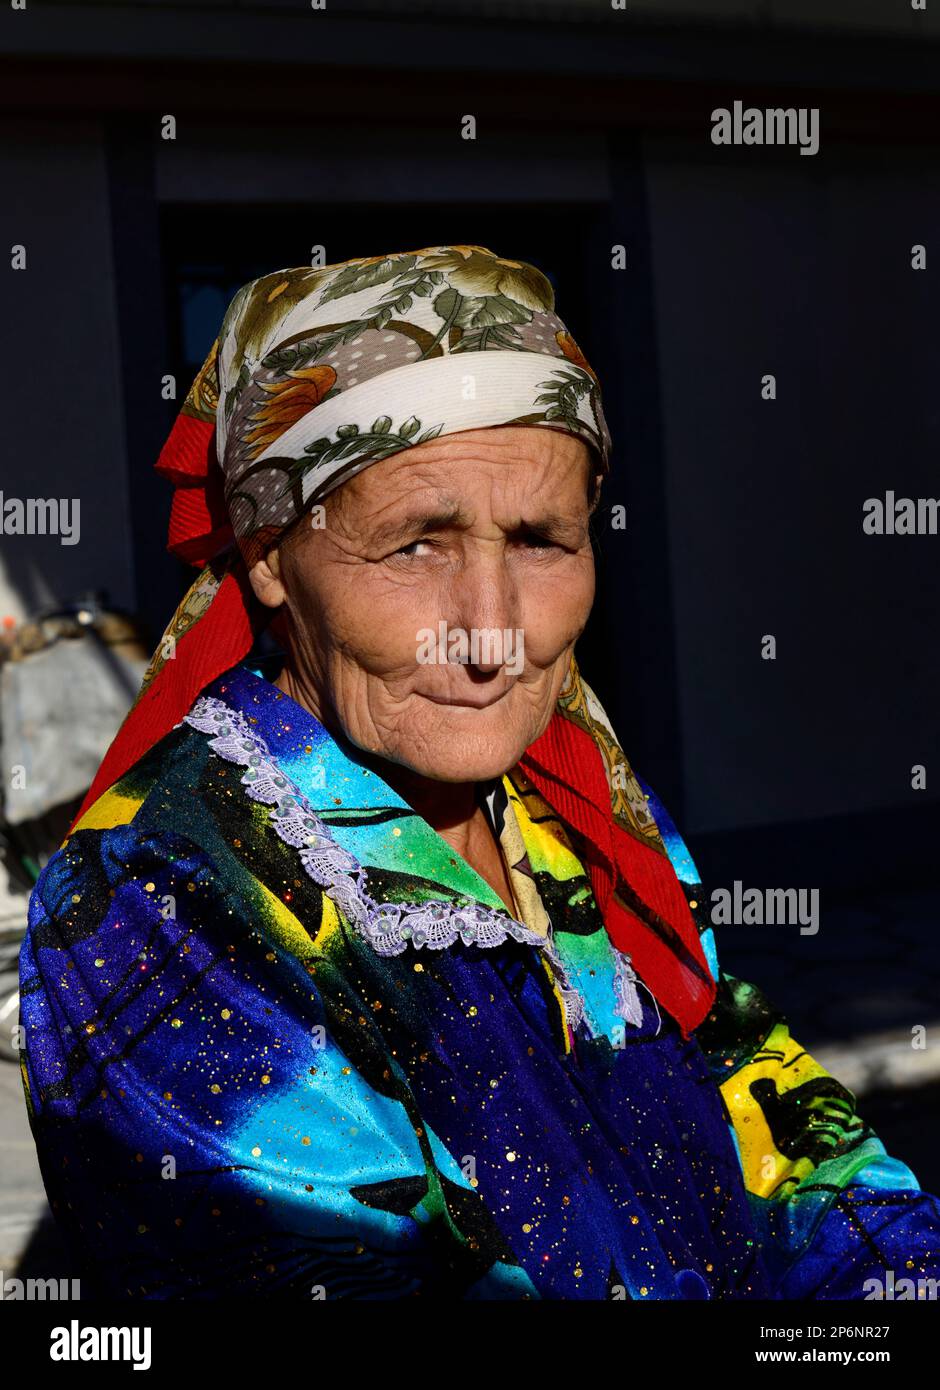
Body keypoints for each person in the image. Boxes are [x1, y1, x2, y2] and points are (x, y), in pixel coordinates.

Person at [18, 245, 940, 1299]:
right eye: (416, 543)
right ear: (269, 552)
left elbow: (784, 1134)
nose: (493, 632)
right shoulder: (161, 900)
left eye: (543, 539)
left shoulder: (572, 812)